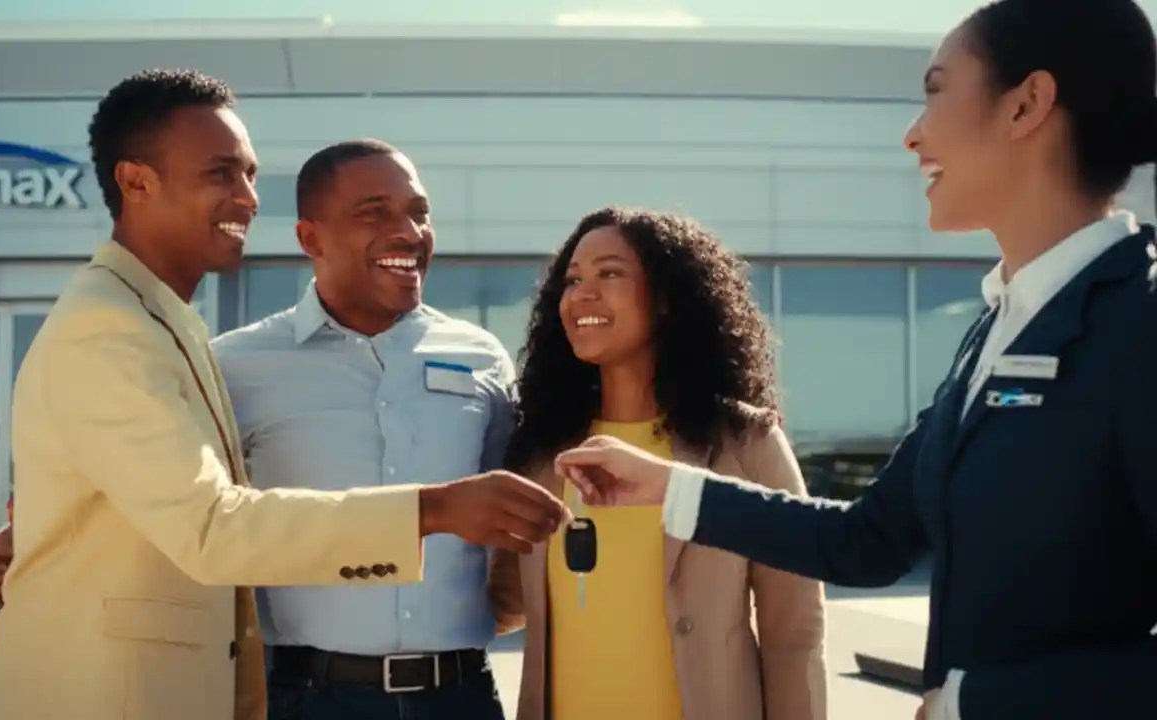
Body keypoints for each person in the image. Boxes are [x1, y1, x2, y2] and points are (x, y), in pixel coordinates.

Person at [552, 2, 1157, 719]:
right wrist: (670, 489)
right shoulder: (1000, 330)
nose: (912, 134)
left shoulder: (1139, 321)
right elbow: (866, 541)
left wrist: (980, 700)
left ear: (1027, 104)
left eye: (936, 90)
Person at [0, 72, 567, 720]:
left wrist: (34, 530)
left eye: (250, 174)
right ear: (137, 182)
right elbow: (210, 523)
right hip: (178, 695)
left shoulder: (165, 325)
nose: (249, 198)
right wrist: (432, 510)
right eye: (222, 173)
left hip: (455, 692)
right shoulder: (119, 329)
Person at [210, 138, 529, 720]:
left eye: (420, 212)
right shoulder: (235, 367)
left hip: (460, 697)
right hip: (310, 700)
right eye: (374, 212)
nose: (409, 232)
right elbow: (178, 505)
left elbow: (512, 527)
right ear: (311, 239)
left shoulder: (482, 356)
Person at [491, 207, 826, 720]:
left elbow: (795, 633)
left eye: (610, 273)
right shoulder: (539, 451)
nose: (581, 292)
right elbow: (501, 603)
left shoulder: (745, 442)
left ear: (667, 297)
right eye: (572, 279)